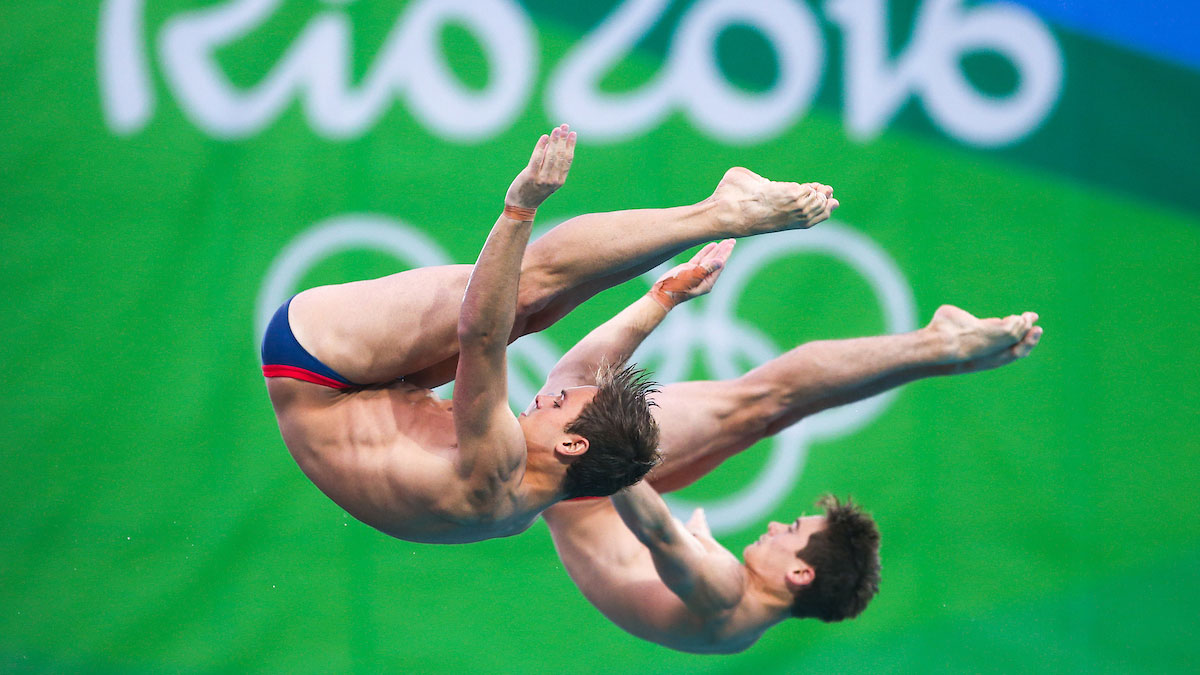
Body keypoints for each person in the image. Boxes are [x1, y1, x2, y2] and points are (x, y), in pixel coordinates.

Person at [261, 124, 841, 544]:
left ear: (572, 443)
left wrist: (520, 208)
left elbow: (479, 333)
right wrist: (661, 299)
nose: (546, 394)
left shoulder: (494, 473)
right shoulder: (547, 488)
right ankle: (718, 211)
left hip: (316, 358)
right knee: (529, 311)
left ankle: (723, 211)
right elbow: (576, 373)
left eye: (558, 405)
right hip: (378, 388)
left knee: (522, 294)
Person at [542, 266, 1042, 653]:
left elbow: (655, 533)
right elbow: (662, 541)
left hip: (589, 482)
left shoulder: (722, 593)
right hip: (597, 496)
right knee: (770, 414)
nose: (778, 525)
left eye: (793, 531)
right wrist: (695, 535)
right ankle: (941, 355)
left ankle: (940, 344)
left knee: (761, 400)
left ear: (800, 574)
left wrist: (612, 447)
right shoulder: (738, 626)